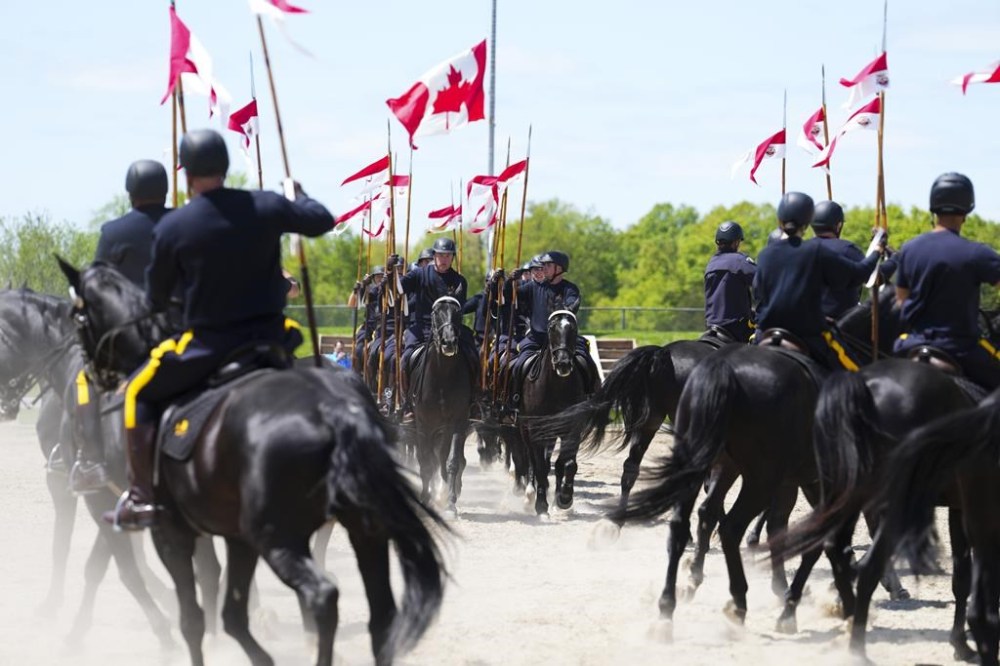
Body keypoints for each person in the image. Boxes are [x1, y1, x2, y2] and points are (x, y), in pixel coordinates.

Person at [104, 129, 335, 530]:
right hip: (273, 340)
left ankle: (141, 497)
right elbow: (321, 220)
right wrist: (298, 196)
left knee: (137, 393)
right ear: (225, 167)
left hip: (209, 346)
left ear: (187, 174)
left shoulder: (175, 225)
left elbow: (156, 299)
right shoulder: (266, 204)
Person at [70, 160, 170, 494]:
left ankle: (91, 460)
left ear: (131, 193)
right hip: (180, 334)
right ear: (165, 190)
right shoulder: (182, 224)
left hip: (134, 341)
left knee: (84, 380)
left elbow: (96, 285)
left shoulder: (114, 232)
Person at [753, 191, 883, 372]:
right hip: (808, 333)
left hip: (767, 332)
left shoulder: (765, 254)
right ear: (807, 222)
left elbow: (758, 293)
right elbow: (860, 274)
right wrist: (877, 250)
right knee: (855, 375)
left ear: (779, 220)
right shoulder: (814, 250)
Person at [893, 172, 1000, 390]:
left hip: (911, 344)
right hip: (960, 348)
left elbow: (901, 300)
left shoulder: (909, 249)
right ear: (967, 210)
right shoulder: (976, 253)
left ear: (933, 208)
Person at [389, 236, 478, 408]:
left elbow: (458, 309)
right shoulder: (419, 274)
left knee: (473, 355)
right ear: (434, 255)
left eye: (448, 255)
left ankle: (474, 399)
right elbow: (398, 289)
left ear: (452, 257)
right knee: (405, 358)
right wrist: (390, 272)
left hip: (451, 329)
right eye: (440, 255)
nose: (444, 259)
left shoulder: (460, 281)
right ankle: (406, 401)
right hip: (423, 328)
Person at [500, 250, 599, 403]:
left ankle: (592, 397)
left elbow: (570, 306)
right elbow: (510, 296)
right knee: (518, 365)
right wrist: (510, 281)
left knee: (586, 362)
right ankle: (515, 399)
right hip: (536, 340)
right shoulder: (533, 287)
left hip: (564, 340)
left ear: (559, 268)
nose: (543, 268)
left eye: (548, 265)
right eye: (543, 265)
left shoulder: (570, 289)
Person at [704, 221, 756, 342]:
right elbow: (762, 281)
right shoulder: (740, 261)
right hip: (736, 327)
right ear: (736, 242)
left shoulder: (711, 263)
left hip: (710, 325)